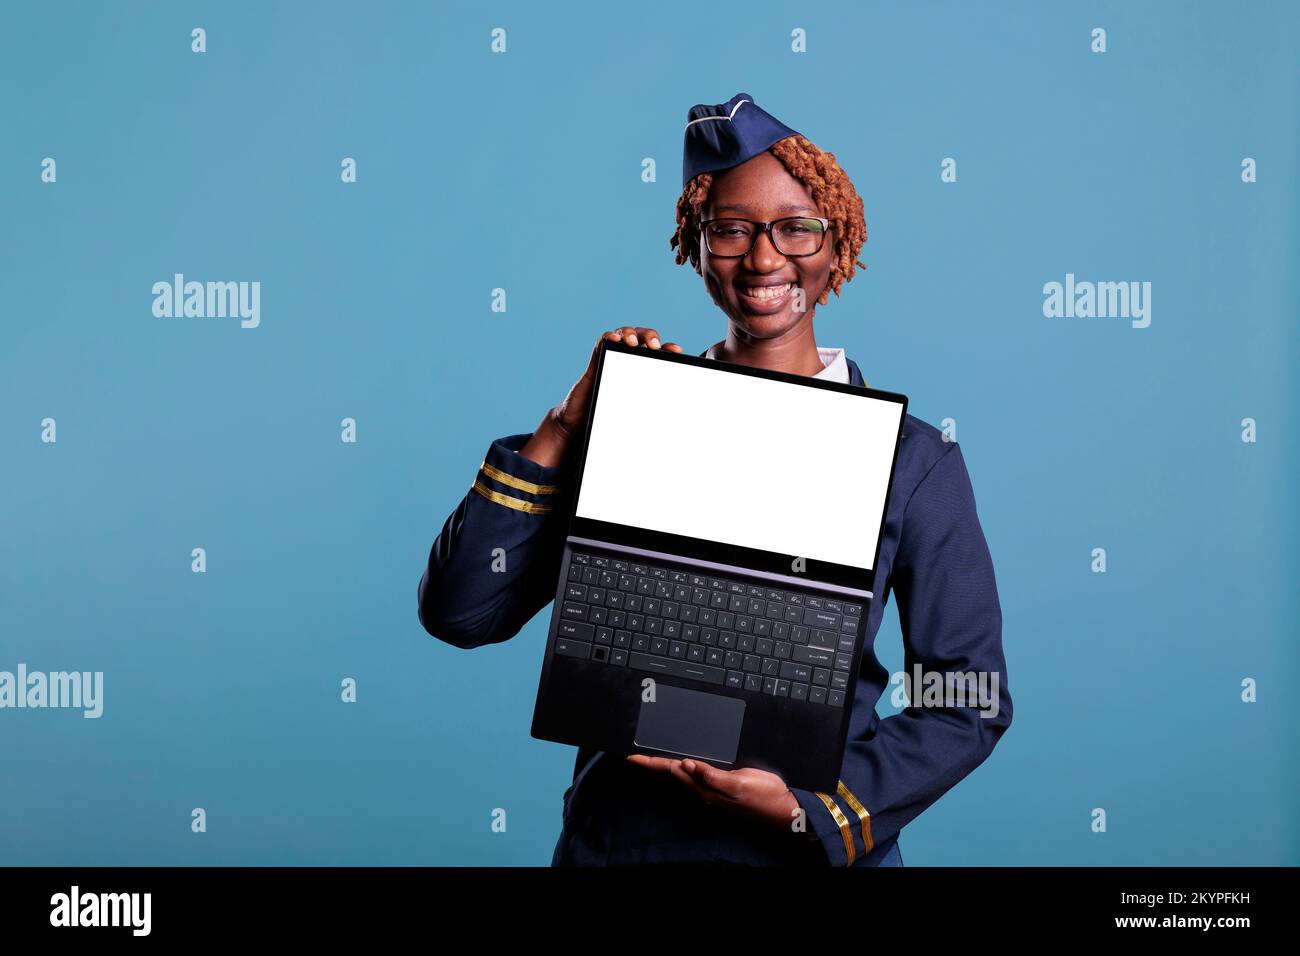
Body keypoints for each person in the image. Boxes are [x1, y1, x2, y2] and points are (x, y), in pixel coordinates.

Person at [418, 92, 1012, 866]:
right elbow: (463, 612)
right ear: (695, 245)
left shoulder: (912, 460)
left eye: (797, 228)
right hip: (621, 846)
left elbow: (966, 699)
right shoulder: (627, 423)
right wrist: (565, 427)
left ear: (839, 244)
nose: (765, 259)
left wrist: (812, 807)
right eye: (730, 229)